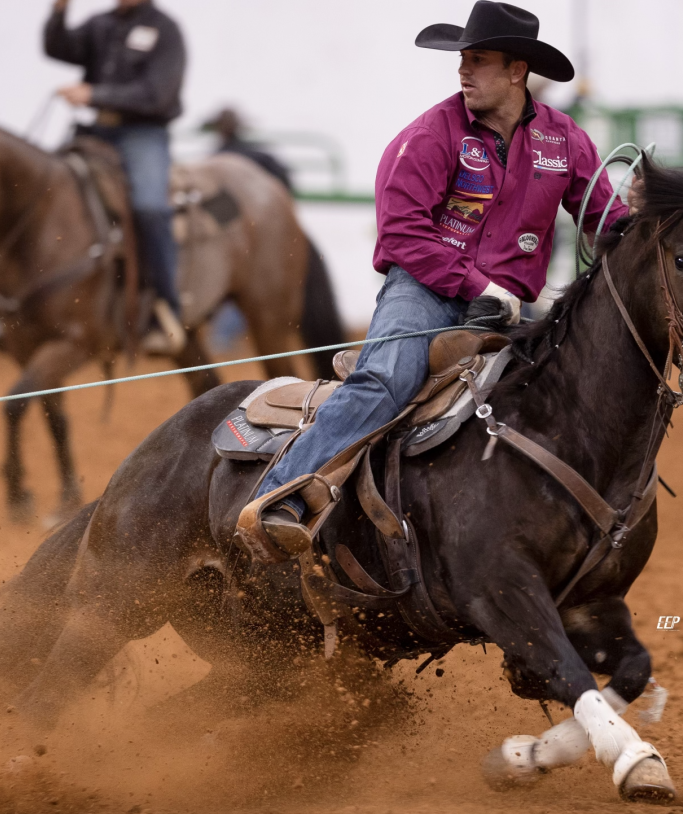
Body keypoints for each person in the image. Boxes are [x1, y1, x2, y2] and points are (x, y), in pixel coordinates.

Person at [248, 1, 630, 550]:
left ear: (517, 70)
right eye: (462, 59)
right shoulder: (430, 135)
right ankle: (280, 497)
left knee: (569, 389)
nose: (462, 71)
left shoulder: (564, 139)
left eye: (478, 60)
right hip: (423, 293)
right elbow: (401, 235)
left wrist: (642, 220)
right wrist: (479, 287)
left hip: (511, 307)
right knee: (385, 380)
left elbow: (604, 217)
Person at [45, 0, 187, 353]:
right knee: (48, 191)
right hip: (96, 132)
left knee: (150, 207)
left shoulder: (165, 30)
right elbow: (58, 47)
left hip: (144, 134)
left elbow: (158, 94)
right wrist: (59, 13)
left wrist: (95, 94)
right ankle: (33, 303)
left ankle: (165, 306)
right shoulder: (100, 24)